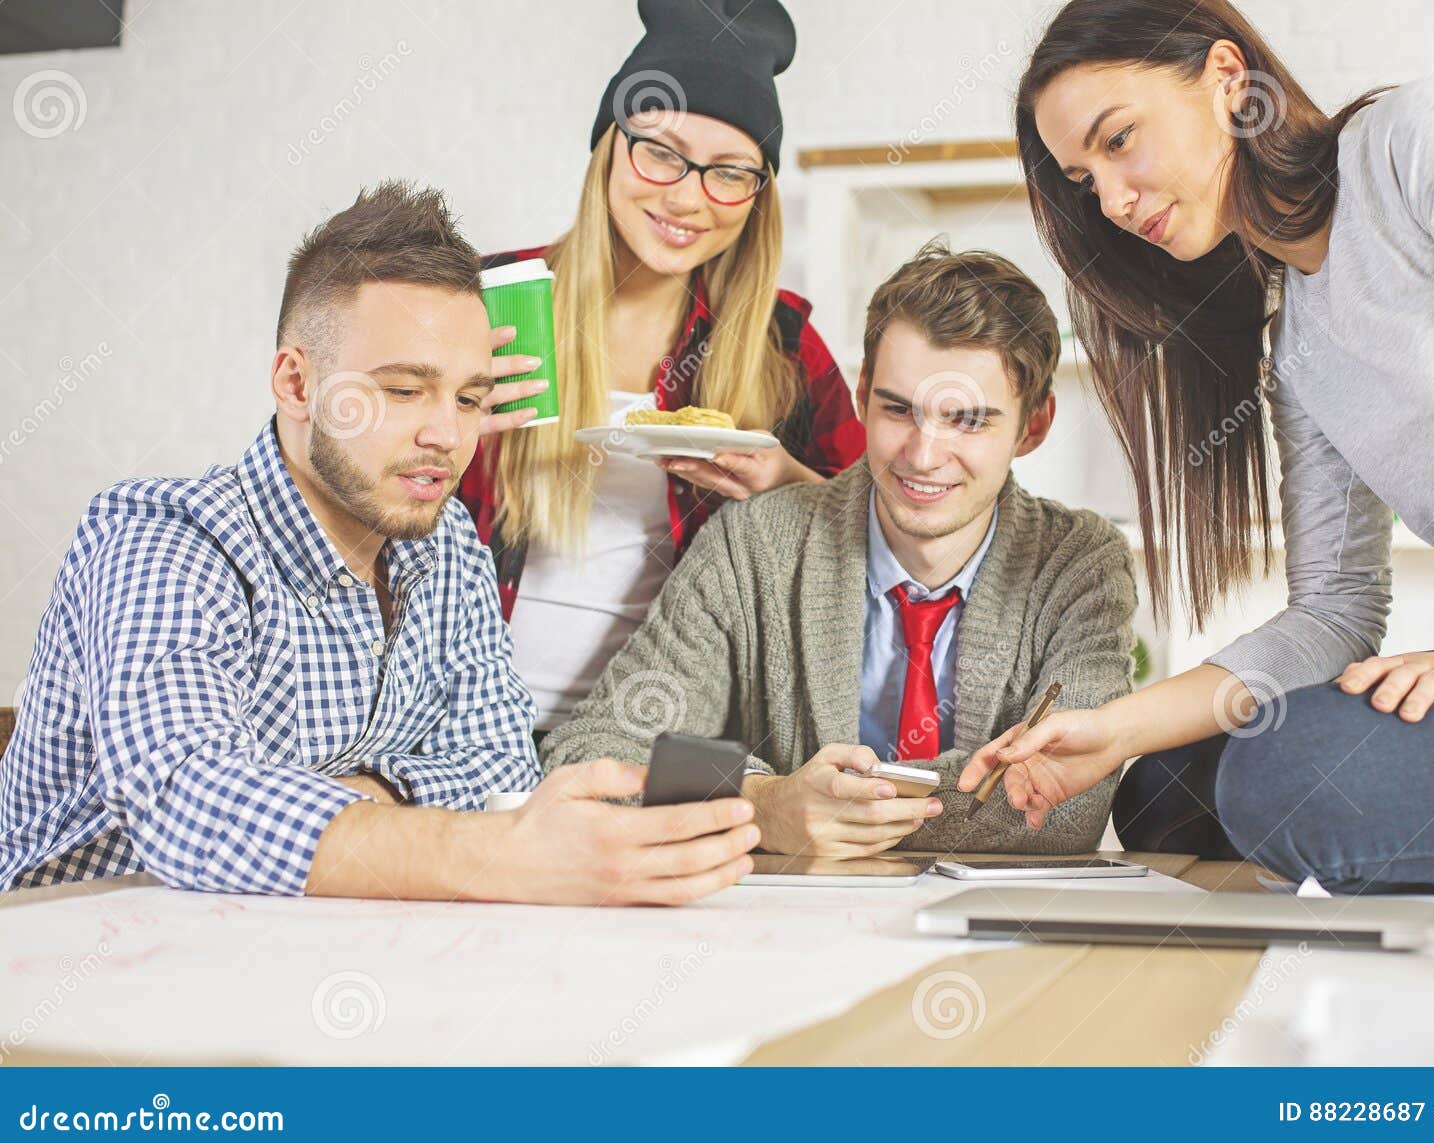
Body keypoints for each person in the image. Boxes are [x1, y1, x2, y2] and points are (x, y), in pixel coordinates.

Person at [959, 0, 1434, 894]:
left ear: (1228, 79)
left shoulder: (1421, 141)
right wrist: (1122, 726)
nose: (1108, 199)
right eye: (1081, 179)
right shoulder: (1295, 343)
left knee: (1279, 781)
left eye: (1118, 141)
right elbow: (1336, 609)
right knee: (1167, 792)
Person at [0, 181, 757, 904]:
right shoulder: (163, 539)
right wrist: (488, 847)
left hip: (294, 957)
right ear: (297, 384)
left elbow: (498, 764)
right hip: (65, 964)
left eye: (469, 398)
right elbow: (191, 799)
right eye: (403, 390)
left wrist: (365, 805)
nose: (448, 434)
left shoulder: (448, 539)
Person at [544, 242, 1136, 857]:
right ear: (860, 396)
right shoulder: (752, 547)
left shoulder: (1079, 563)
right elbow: (591, 756)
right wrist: (762, 803)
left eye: (968, 421)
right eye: (899, 409)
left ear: (1033, 426)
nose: (924, 454)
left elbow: (1071, 802)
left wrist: (829, 807)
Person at [461, 0, 864, 736]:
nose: (686, 196)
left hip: (661, 744)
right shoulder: (488, 302)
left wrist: (788, 485)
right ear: (610, 145)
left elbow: (884, 534)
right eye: (661, 152)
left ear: (757, 195)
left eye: (729, 173)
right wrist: (439, 431)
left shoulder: (784, 346)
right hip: (467, 736)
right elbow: (348, 503)